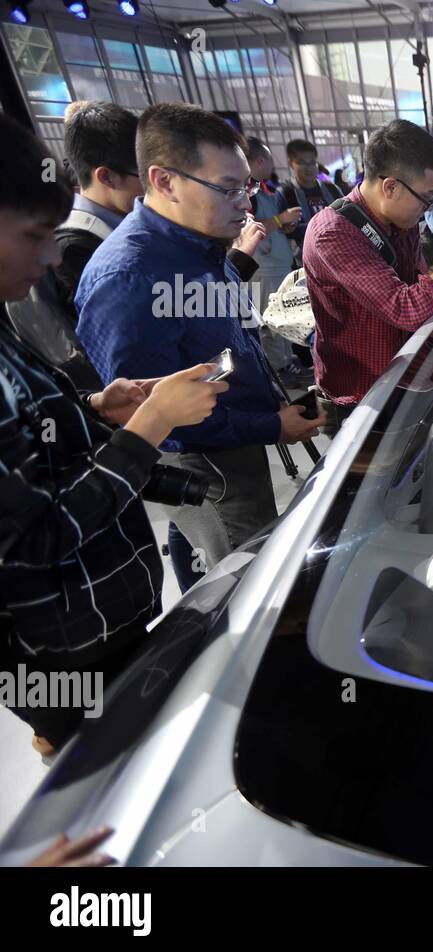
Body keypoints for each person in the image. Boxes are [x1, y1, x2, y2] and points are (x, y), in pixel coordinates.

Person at [0, 115, 227, 755]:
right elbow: (39, 536)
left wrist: (90, 408)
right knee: (99, 757)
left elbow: (30, 445)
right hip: (62, 645)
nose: (49, 257)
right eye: (32, 236)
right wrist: (152, 425)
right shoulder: (122, 271)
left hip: (105, 612)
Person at [76, 103, 324, 584]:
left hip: (237, 437)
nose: (245, 205)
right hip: (209, 463)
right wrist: (270, 425)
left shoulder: (201, 244)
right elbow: (154, 421)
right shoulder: (131, 277)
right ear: (165, 181)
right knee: (245, 574)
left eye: (247, 187)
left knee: (201, 552)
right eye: (229, 190)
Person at [302, 120, 433, 436]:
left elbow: (422, 287)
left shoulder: (401, 222)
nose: (429, 208)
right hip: (364, 398)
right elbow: (407, 308)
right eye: (426, 197)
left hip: (408, 379)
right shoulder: (333, 233)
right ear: (391, 187)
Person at [4, 102, 142, 392]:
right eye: (142, 175)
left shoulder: (107, 228)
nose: (51, 258)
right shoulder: (77, 243)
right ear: (106, 176)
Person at [243, 137, 304, 379]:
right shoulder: (248, 194)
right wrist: (281, 219)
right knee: (271, 322)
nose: (272, 164)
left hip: (277, 267)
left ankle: (288, 361)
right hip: (264, 270)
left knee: (285, 317)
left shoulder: (262, 190)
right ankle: (280, 367)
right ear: (259, 160)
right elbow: (249, 229)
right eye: (269, 158)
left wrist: (284, 225)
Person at [276, 138, 344, 252]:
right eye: (301, 162)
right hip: (303, 258)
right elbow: (283, 231)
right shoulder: (285, 193)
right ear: (290, 163)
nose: (309, 168)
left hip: (336, 252)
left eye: (312, 162)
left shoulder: (332, 190)